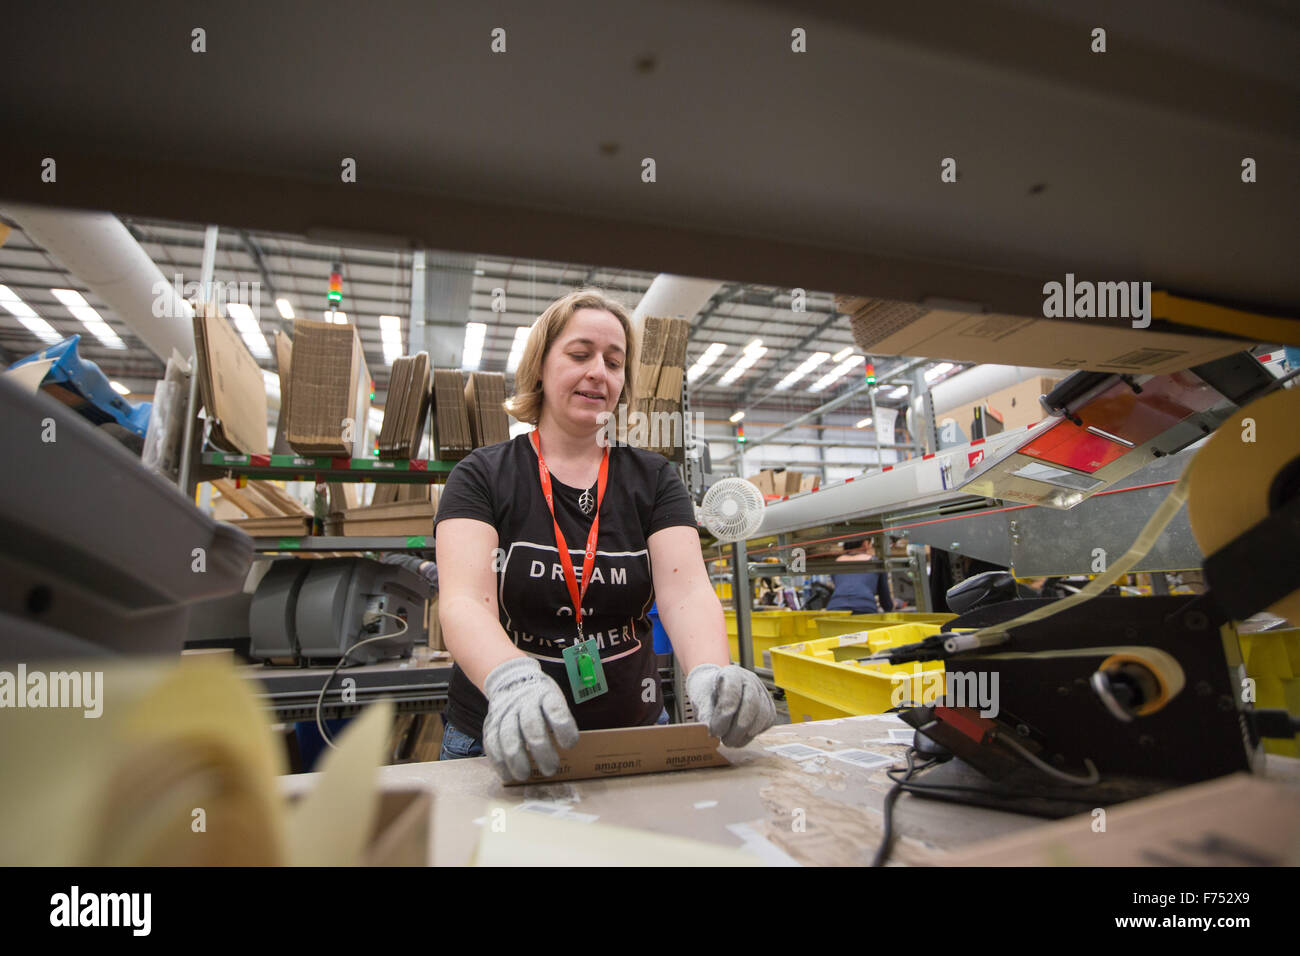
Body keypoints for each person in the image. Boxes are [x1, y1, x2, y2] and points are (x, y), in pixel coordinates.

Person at [434, 289, 776, 782]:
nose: (599, 371)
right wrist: (510, 678)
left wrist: (709, 672)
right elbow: (465, 602)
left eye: (614, 363)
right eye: (580, 355)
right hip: (497, 737)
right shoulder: (482, 475)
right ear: (539, 367)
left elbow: (685, 592)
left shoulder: (654, 479)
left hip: (633, 735)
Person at [825, 537, 895, 614]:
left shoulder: (836, 562)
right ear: (865, 543)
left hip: (835, 608)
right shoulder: (875, 562)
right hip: (864, 608)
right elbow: (885, 601)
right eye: (871, 543)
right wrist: (892, 606)